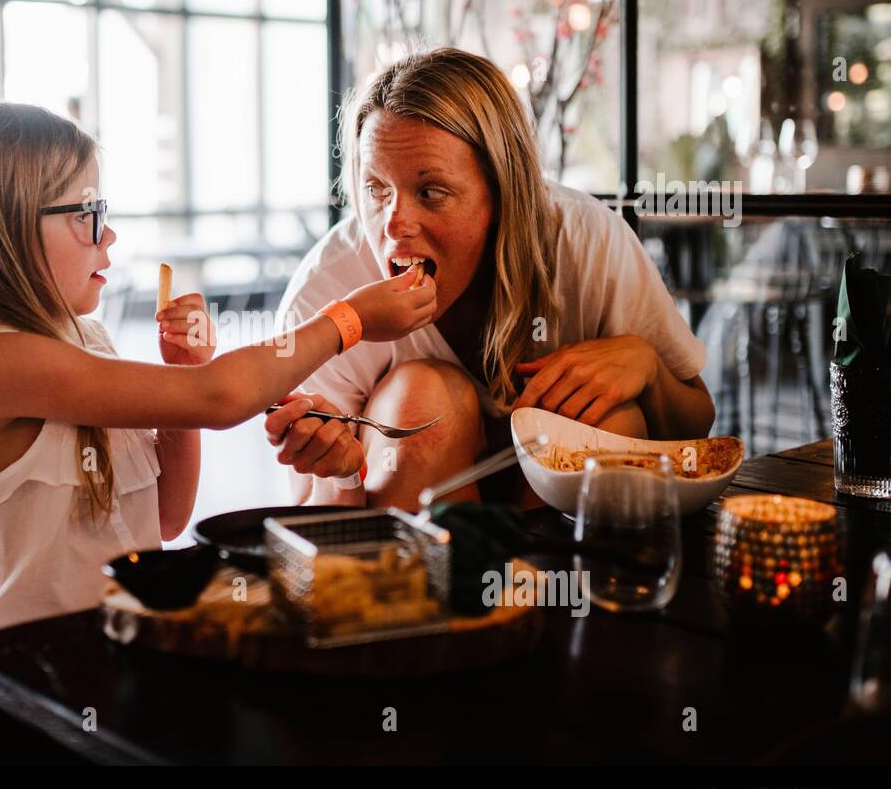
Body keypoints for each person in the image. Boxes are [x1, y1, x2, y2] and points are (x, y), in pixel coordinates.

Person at [0, 102, 437, 761]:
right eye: (86, 215)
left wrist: (186, 371)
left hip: (99, 660)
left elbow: (169, 517)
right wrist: (347, 320)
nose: (108, 237)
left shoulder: (85, 339)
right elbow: (222, 396)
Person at [267, 47, 714, 511]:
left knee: (612, 419)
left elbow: (695, 429)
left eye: (431, 191)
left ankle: (550, 582)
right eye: (377, 189)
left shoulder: (586, 238)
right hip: (408, 542)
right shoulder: (328, 287)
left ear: (503, 192)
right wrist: (339, 473)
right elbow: (311, 524)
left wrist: (648, 367)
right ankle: (452, 579)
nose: (393, 224)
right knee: (422, 401)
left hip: (560, 547)